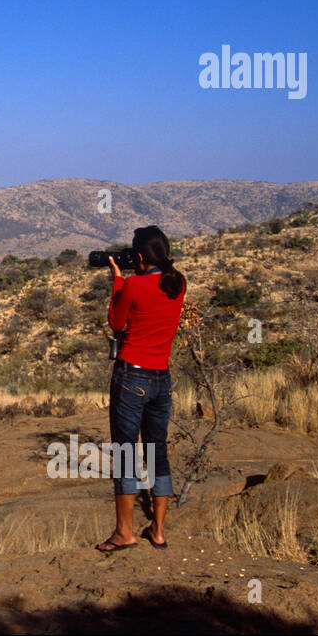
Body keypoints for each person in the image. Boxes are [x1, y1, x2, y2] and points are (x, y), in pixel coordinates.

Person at [95, 225, 187, 553]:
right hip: (162, 378)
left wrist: (118, 280)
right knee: (156, 451)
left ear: (139, 256)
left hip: (132, 376)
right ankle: (158, 530)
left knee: (125, 453)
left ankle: (124, 532)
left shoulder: (134, 285)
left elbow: (116, 323)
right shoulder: (178, 283)